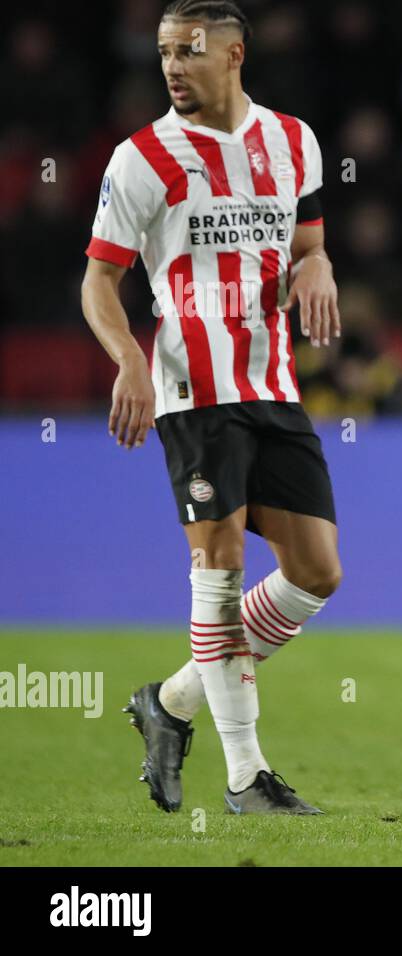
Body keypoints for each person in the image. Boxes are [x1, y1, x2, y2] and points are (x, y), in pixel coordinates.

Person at [80, 0, 342, 815]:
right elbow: (98, 281)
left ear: (234, 53)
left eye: (188, 51)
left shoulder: (294, 141)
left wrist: (320, 268)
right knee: (219, 565)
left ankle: (171, 703)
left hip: (273, 386)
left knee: (315, 574)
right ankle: (244, 778)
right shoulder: (142, 157)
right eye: (163, 52)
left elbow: (308, 243)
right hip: (190, 387)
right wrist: (129, 358)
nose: (171, 66)